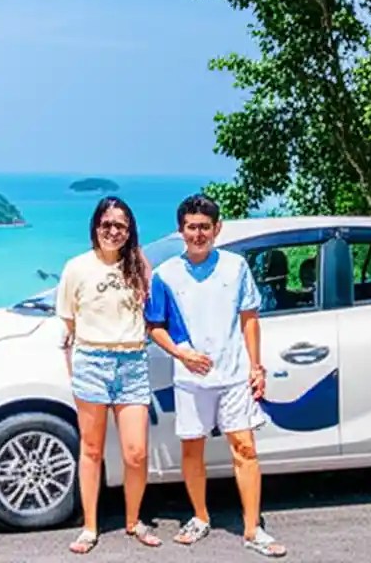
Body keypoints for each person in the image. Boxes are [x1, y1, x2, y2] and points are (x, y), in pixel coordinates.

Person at [144, 193, 287, 558]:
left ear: (217, 228)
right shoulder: (165, 275)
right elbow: (154, 326)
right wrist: (181, 354)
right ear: (181, 230)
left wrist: (256, 366)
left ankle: (253, 528)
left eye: (205, 227)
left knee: (245, 448)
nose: (198, 234)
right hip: (190, 379)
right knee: (193, 449)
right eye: (191, 227)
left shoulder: (235, 267)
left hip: (234, 375)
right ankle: (200, 516)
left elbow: (249, 318)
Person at [56, 196, 162, 554]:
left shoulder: (136, 266)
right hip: (92, 361)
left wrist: (138, 254)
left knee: (136, 452)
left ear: (129, 231)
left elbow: (153, 304)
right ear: (95, 227)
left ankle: (134, 520)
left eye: (121, 226)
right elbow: (69, 322)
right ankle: (89, 526)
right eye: (107, 224)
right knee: (91, 449)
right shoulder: (77, 268)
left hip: (132, 362)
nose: (113, 231)